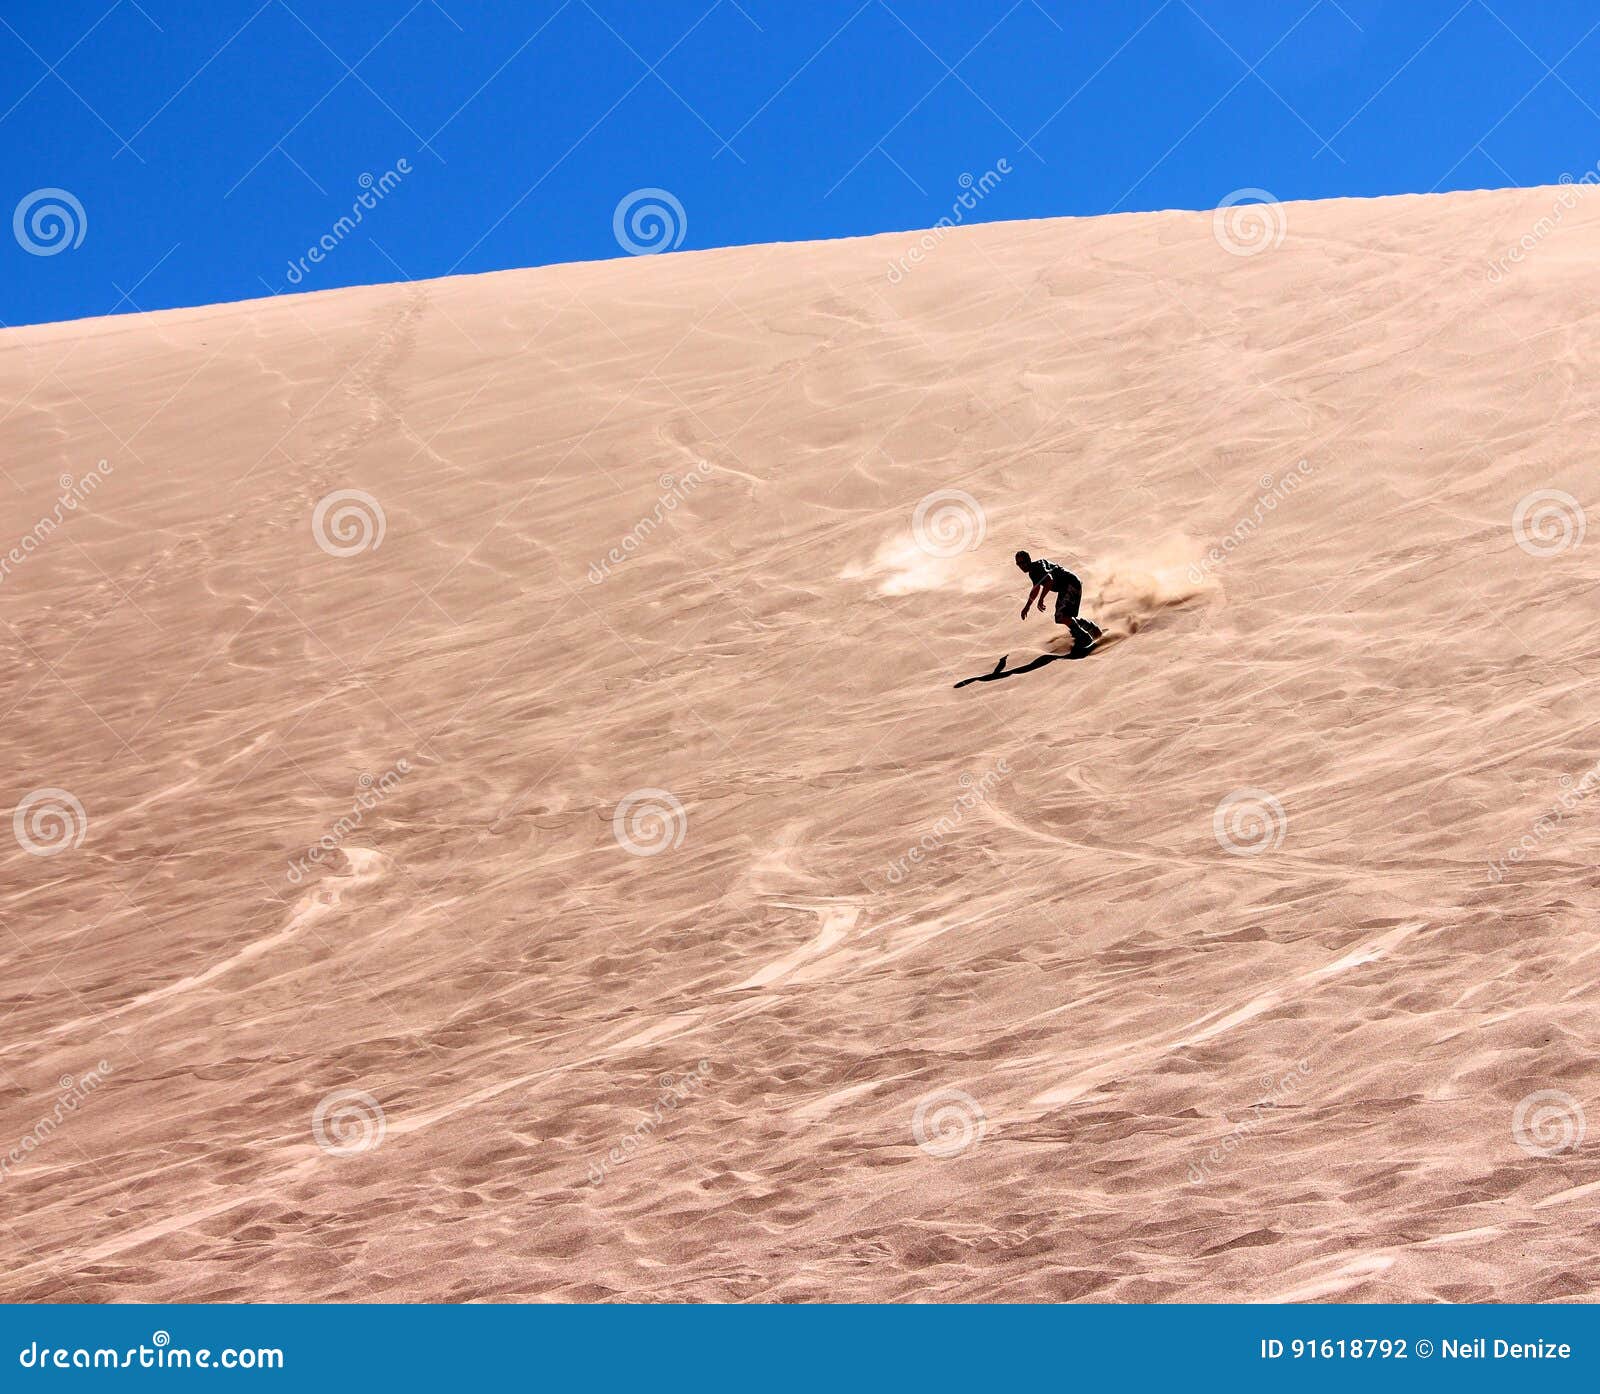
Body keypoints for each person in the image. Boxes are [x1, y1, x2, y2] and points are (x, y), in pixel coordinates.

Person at [1015, 549, 1101, 651]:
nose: (1021, 566)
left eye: (1023, 562)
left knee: (1061, 616)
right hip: (1067, 587)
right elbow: (1036, 589)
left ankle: (1084, 638)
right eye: (1018, 563)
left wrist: (1041, 599)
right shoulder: (1033, 572)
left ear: (1029, 560)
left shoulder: (1038, 566)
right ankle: (1091, 628)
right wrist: (1027, 607)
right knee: (1063, 616)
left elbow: (1049, 580)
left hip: (1070, 584)